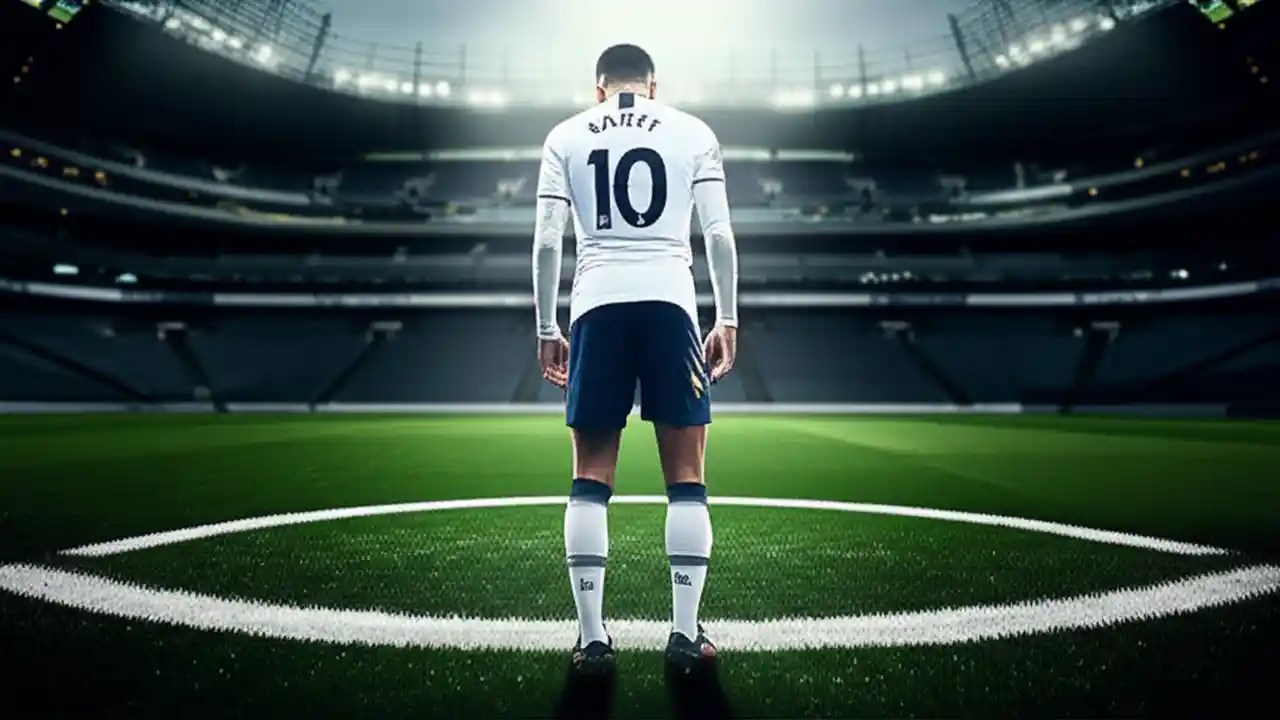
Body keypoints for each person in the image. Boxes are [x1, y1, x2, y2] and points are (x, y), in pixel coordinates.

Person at [531, 43, 739, 675]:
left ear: (598, 90)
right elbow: (719, 235)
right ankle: (683, 635)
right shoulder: (693, 131)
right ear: (654, 85)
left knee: (590, 475)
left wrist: (547, 325)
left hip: (595, 303)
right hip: (670, 303)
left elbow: (547, 241)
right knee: (687, 476)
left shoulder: (564, 136)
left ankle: (592, 641)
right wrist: (726, 316)